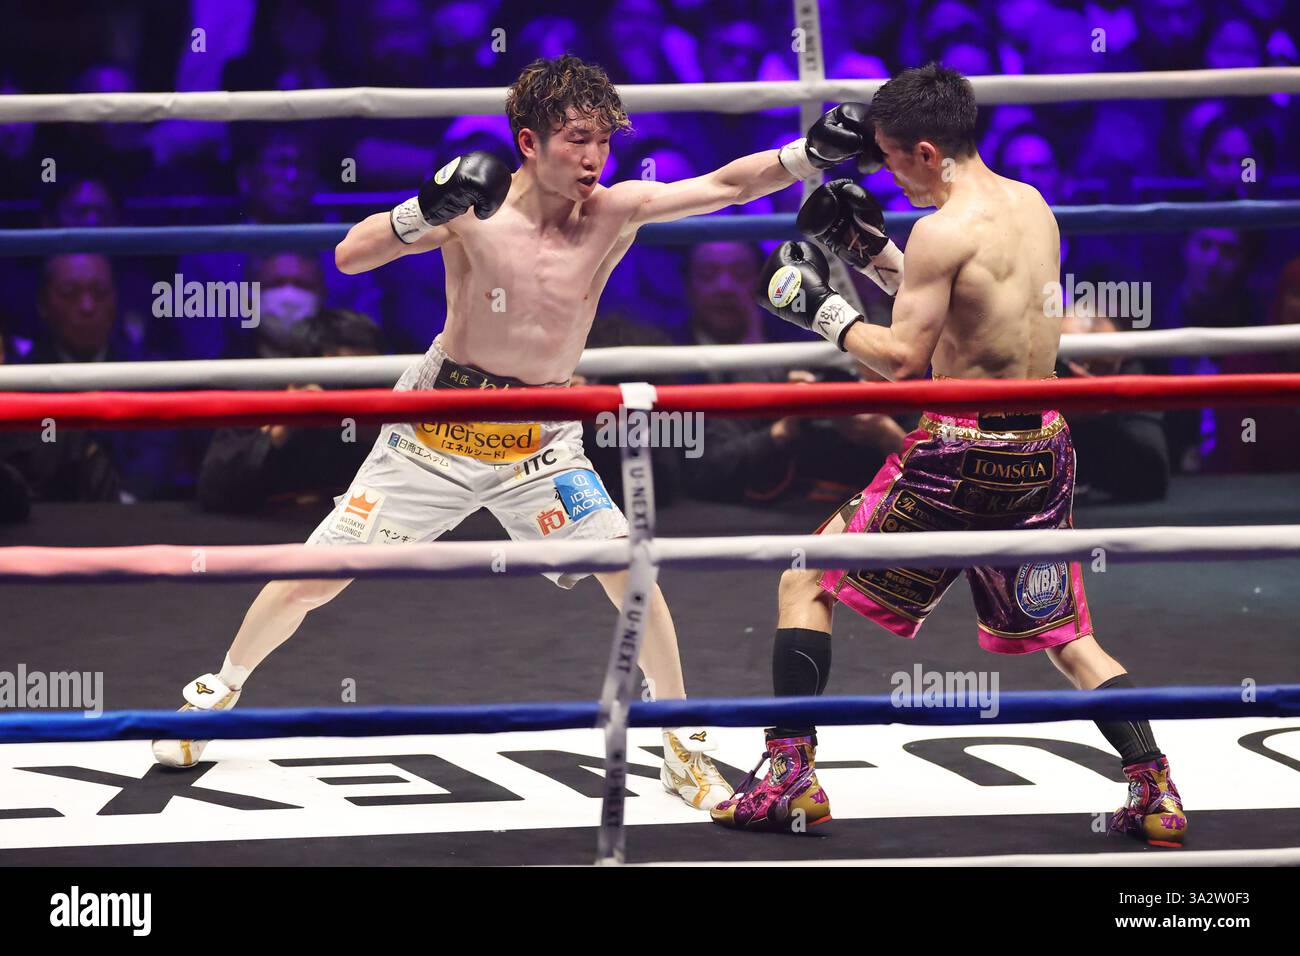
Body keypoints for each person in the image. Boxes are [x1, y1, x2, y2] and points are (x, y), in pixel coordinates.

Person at [153, 54, 829, 812]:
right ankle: (215, 694)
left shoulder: (615, 211)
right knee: (319, 572)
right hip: (435, 427)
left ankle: (679, 741)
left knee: (631, 570)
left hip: (540, 439)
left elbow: (728, 186)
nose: (594, 159)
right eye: (578, 139)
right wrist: (427, 206)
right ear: (529, 142)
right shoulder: (473, 210)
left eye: (604, 141)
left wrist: (808, 153)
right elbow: (349, 256)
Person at [710, 64, 1187, 846]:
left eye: (894, 160)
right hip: (1042, 448)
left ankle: (788, 778)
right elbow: (972, 320)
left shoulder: (937, 232)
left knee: (806, 577)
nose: (891, 176)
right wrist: (869, 252)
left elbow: (903, 360)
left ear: (927, 151)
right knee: (1068, 637)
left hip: (957, 458)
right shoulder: (1033, 207)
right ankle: (1155, 788)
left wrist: (820, 310)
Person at [197, 308, 385, 513]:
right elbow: (214, 493)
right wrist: (282, 426)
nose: (346, 391)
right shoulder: (263, 400)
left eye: (359, 381)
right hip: (270, 530)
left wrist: (376, 434)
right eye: (337, 380)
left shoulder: (386, 410)